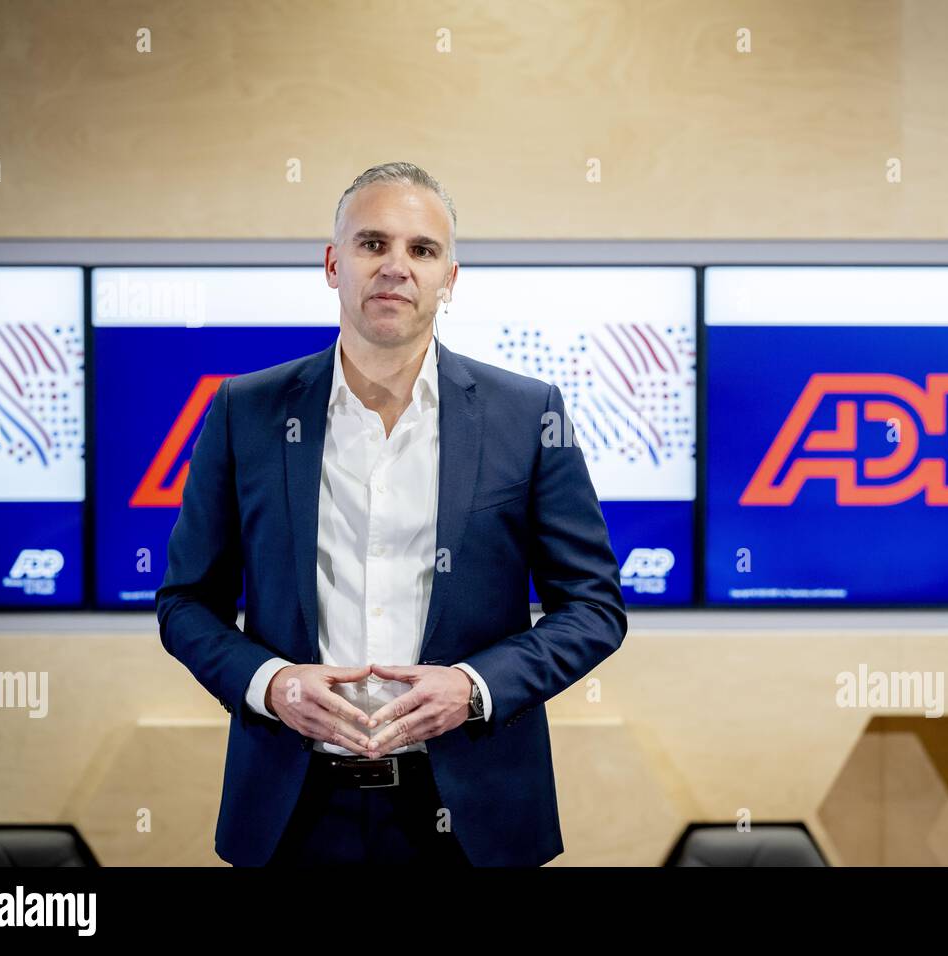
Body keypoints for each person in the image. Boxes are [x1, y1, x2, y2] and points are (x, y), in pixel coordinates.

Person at [156, 161, 628, 866]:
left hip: (472, 814)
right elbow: (186, 602)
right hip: (293, 812)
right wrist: (272, 684)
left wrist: (473, 689)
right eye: (373, 244)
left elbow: (594, 607)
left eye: (422, 249)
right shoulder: (244, 412)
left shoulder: (526, 415)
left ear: (450, 278)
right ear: (333, 263)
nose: (395, 267)